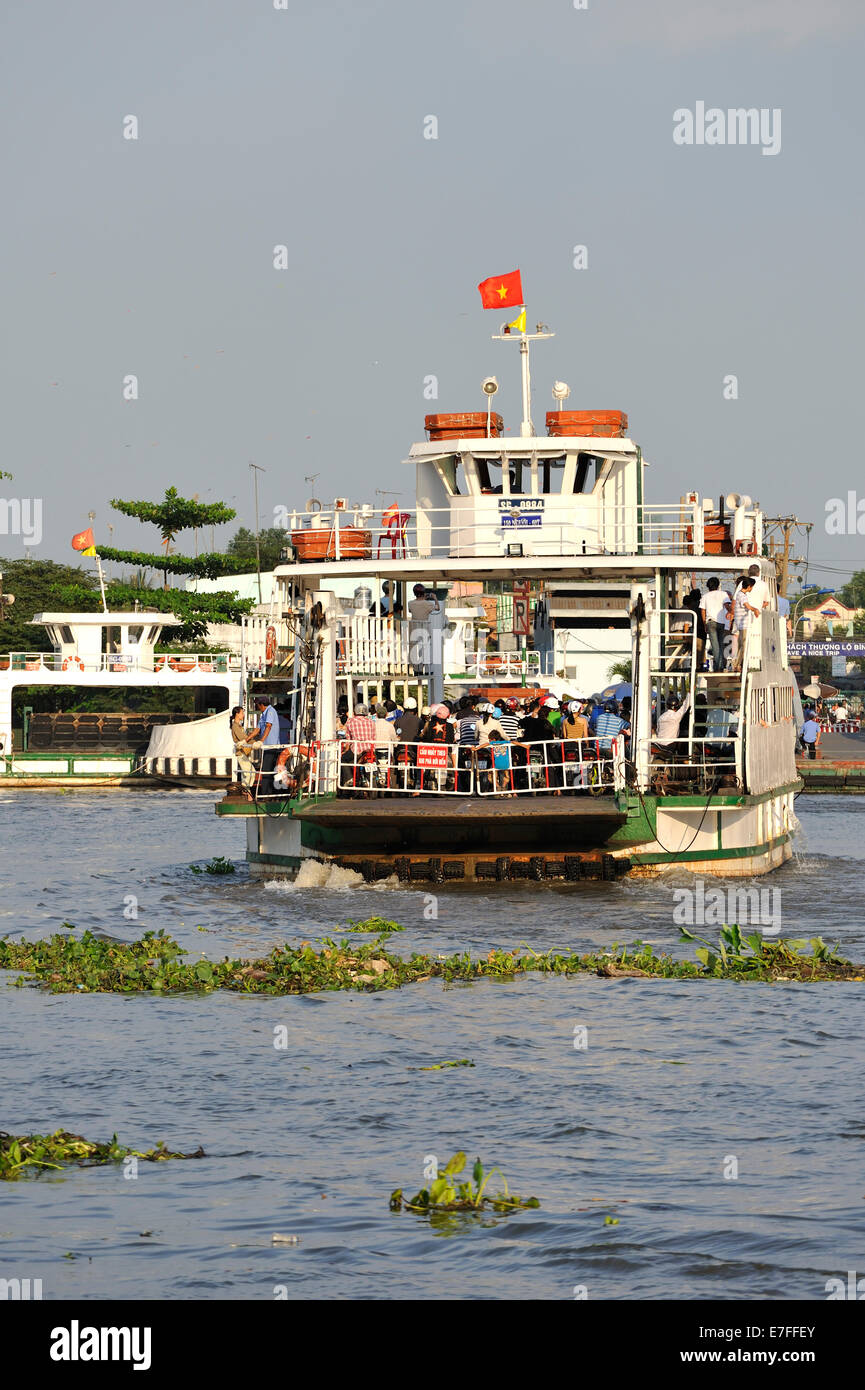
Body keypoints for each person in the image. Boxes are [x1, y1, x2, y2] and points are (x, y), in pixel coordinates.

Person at [701, 577, 732, 672]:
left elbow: (703, 611)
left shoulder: (705, 596)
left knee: (715, 645)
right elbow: (727, 606)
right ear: (718, 585)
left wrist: (704, 624)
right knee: (721, 644)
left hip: (710, 622)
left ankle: (718, 667)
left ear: (708, 586)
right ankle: (721, 665)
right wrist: (731, 613)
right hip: (721, 622)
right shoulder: (723, 594)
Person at [407, 584, 440, 672]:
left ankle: (414, 668)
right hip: (424, 629)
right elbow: (437, 608)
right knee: (424, 650)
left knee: (413, 649)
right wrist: (434, 597)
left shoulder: (410, 603)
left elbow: (410, 610)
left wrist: (422, 598)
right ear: (423, 593)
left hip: (413, 629)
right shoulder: (427, 604)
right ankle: (422, 668)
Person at [731, 576, 759, 671]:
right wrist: (755, 610)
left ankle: (738, 664)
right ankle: (736, 664)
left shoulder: (740, 594)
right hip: (743, 624)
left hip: (741, 623)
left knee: (741, 645)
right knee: (744, 645)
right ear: (749, 586)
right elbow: (747, 606)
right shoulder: (742, 595)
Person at [253, 695, 280, 791]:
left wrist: (261, 741)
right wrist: (246, 740)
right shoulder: (264, 714)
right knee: (266, 770)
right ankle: (267, 792)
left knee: (267, 770)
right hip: (266, 747)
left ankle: (267, 793)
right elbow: (257, 729)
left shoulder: (270, 711)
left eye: (257, 705)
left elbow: (268, 726)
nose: (257, 707)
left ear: (261, 705)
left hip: (272, 746)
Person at [230, 706, 256, 789]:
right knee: (250, 773)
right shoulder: (235, 726)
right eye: (242, 713)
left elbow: (245, 738)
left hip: (244, 752)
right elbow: (243, 738)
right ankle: (246, 791)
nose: (243, 715)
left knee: (249, 772)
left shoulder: (239, 726)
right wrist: (255, 742)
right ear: (237, 714)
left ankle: (246, 791)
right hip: (240, 753)